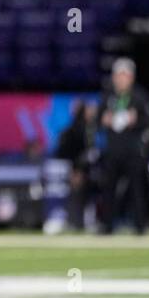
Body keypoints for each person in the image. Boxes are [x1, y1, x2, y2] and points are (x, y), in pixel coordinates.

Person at [98, 57, 149, 234]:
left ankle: (140, 225)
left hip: (133, 150)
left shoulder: (140, 96)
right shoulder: (108, 96)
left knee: (137, 189)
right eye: (118, 76)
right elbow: (98, 119)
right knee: (109, 189)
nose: (121, 79)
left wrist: (135, 120)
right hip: (113, 150)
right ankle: (106, 225)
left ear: (131, 77)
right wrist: (103, 120)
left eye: (125, 75)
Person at [54, 99, 100, 231]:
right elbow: (71, 150)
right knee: (77, 194)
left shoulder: (91, 127)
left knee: (88, 196)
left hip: (90, 168)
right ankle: (75, 222)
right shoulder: (76, 128)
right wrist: (76, 169)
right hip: (79, 167)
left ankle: (85, 221)